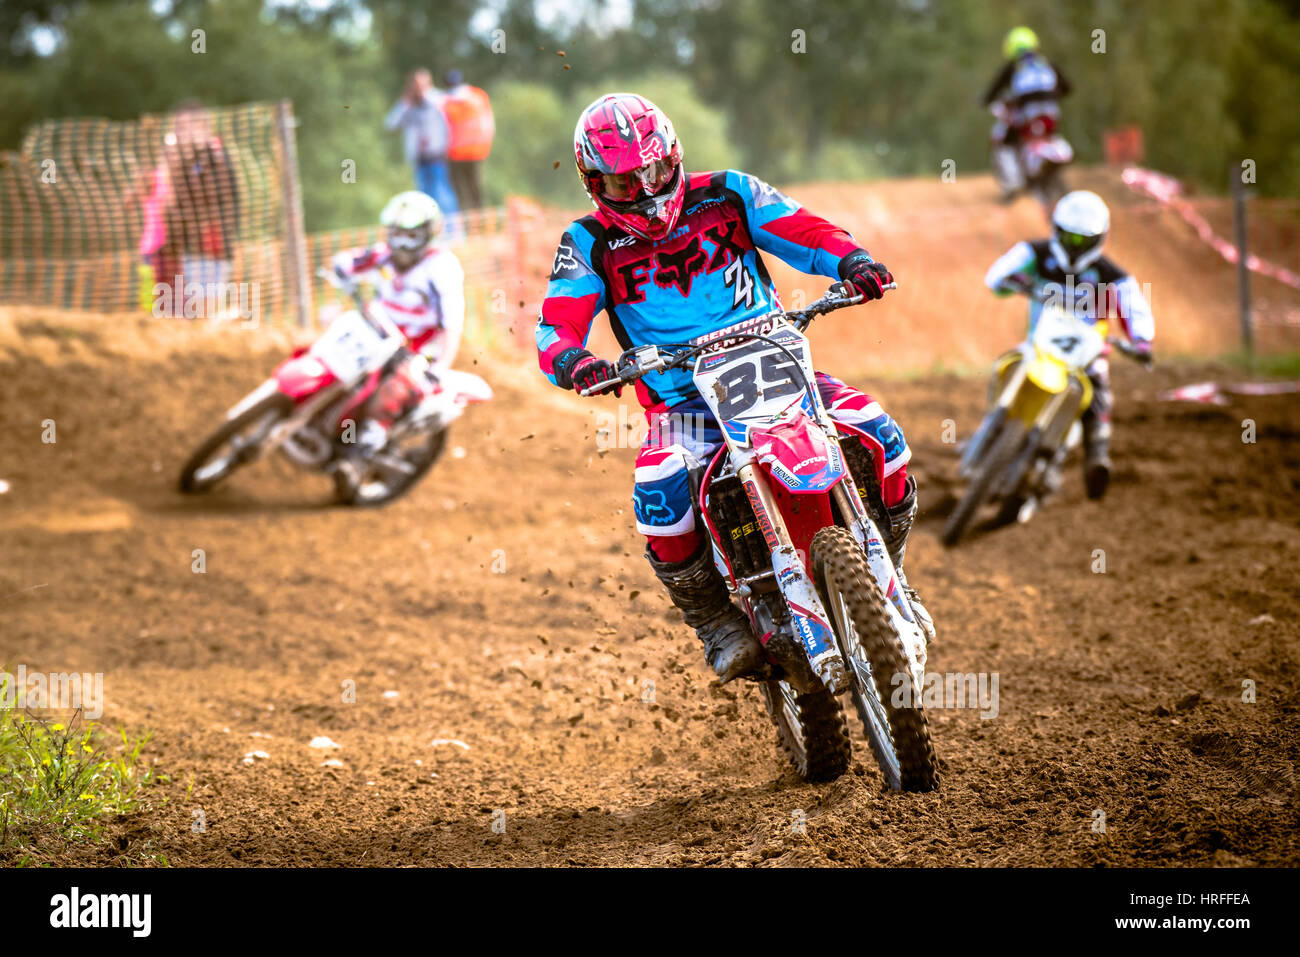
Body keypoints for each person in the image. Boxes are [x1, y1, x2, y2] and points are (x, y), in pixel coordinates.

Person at [535, 93, 933, 683]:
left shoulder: (728, 194)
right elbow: (555, 324)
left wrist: (853, 261)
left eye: (655, 172)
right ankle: (715, 623)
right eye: (623, 184)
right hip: (683, 402)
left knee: (880, 432)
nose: (645, 192)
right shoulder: (587, 241)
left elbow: (806, 232)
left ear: (675, 157)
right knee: (659, 487)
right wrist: (574, 360)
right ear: (594, 184)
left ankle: (891, 572)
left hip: (778, 369)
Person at [984, 190, 1154, 499]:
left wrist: (1142, 341)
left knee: (1099, 390)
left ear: (1099, 239)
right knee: (1006, 366)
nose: (1075, 247)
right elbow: (997, 274)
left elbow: (1135, 308)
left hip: (1085, 355)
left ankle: (1096, 457)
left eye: (1083, 240)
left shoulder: (1110, 275)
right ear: (1057, 230)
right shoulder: (1035, 253)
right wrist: (1009, 280)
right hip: (1039, 346)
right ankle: (993, 422)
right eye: (1069, 237)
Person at [329, 191, 464, 481]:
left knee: (394, 389)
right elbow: (347, 261)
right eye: (397, 234)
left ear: (428, 234)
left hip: (418, 347)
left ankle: (358, 458)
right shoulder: (382, 255)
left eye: (411, 236)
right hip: (377, 332)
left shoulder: (442, 267)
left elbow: (452, 324)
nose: (403, 244)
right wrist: (341, 267)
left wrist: (441, 366)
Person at [981, 27, 1071, 197]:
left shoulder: (1013, 68)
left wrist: (984, 101)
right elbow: (1067, 88)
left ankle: (1013, 183)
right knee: (1050, 134)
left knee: (1002, 140)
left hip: (1026, 116)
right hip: (1051, 116)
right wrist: (1052, 95)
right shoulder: (1047, 64)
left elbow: (993, 91)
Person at [386, 69, 460, 221]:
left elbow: (446, 110)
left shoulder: (438, 99)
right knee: (424, 197)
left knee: (442, 193)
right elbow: (391, 124)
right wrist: (404, 103)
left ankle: (452, 227)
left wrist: (425, 96)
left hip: (437, 156)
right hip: (419, 158)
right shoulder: (408, 105)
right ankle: (431, 227)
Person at [441, 69, 495, 212]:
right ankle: (477, 216)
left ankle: (472, 217)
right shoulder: (477, 95)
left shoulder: (446, 100)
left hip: (458, 152)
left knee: (463, 189)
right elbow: (488, 122)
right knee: (474, 188)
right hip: (472, 151)